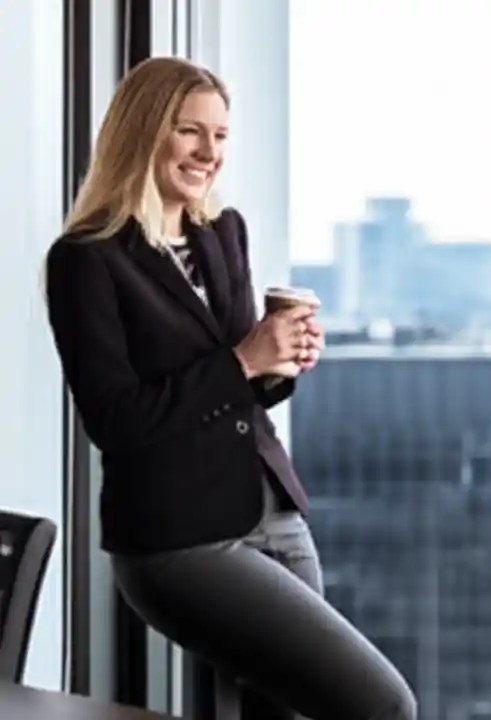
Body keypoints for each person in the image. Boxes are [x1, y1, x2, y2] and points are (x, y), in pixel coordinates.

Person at [45, 57, 416, 720]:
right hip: (178, 539)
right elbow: (116, 422)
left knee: (283, 712)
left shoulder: (222, 234)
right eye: (191, 132)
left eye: (220, 135)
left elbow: (238, 392)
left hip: (270, 508)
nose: (209, 152)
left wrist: (277, 365)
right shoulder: (86, 260)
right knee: (382, 705)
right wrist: (244, 361)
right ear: (142, 133)